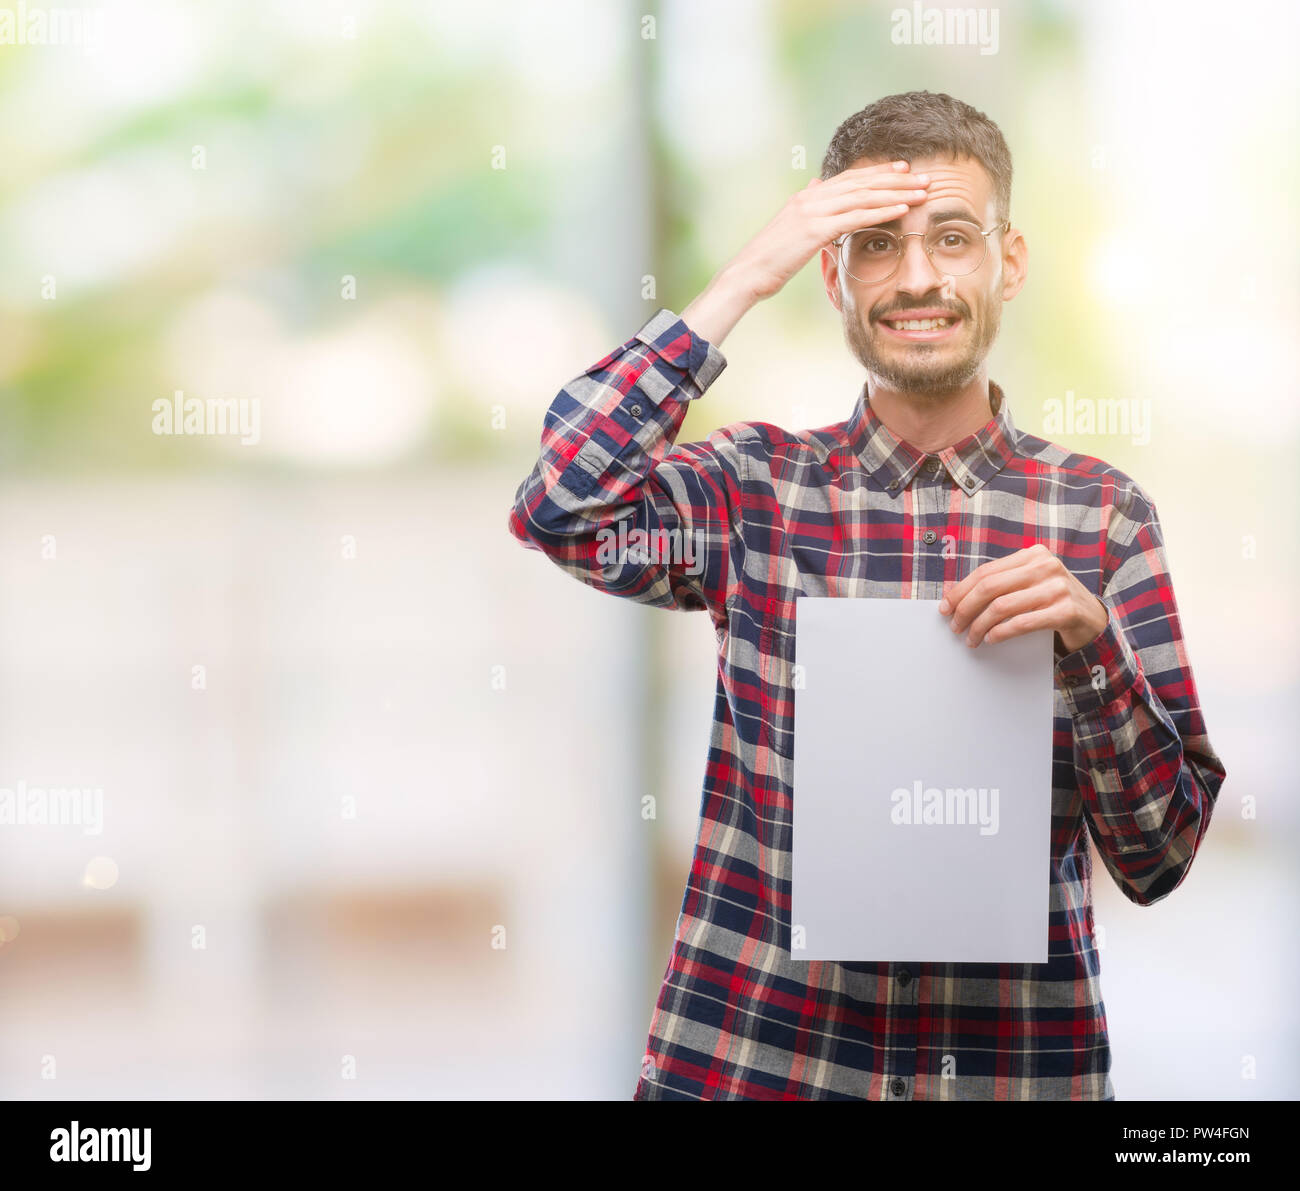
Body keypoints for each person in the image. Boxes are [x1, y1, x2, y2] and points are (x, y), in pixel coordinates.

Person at [507, 90, 1226, 1101]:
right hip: (752, 1063)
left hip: (1009, 1073)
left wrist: (1092, 648)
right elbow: (559, 506)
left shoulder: (1099, 518)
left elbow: (1159, 858)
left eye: (951, 239)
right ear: (833, 278)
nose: (918, 277)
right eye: (875, 245)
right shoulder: (753, 488)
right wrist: (746, 278)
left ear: (1007, 263)